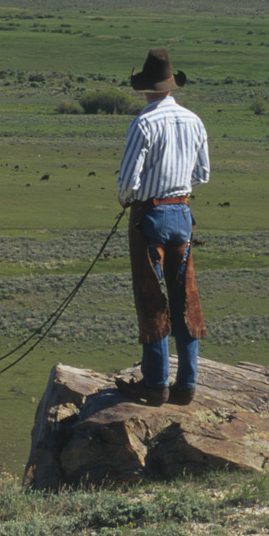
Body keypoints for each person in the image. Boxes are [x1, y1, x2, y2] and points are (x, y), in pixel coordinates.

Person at [113, 48, 210, 407]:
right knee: (186, 300)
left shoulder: (143, 123)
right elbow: (203, 174)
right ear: (171, 85)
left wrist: (129, 198)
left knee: (151, 297)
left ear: (145, 87)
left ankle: (155, 383)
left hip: (150, 216)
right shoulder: (194, 120)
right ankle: (187, 383)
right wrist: (177, 188)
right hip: (182, 212)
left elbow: (128, 182)